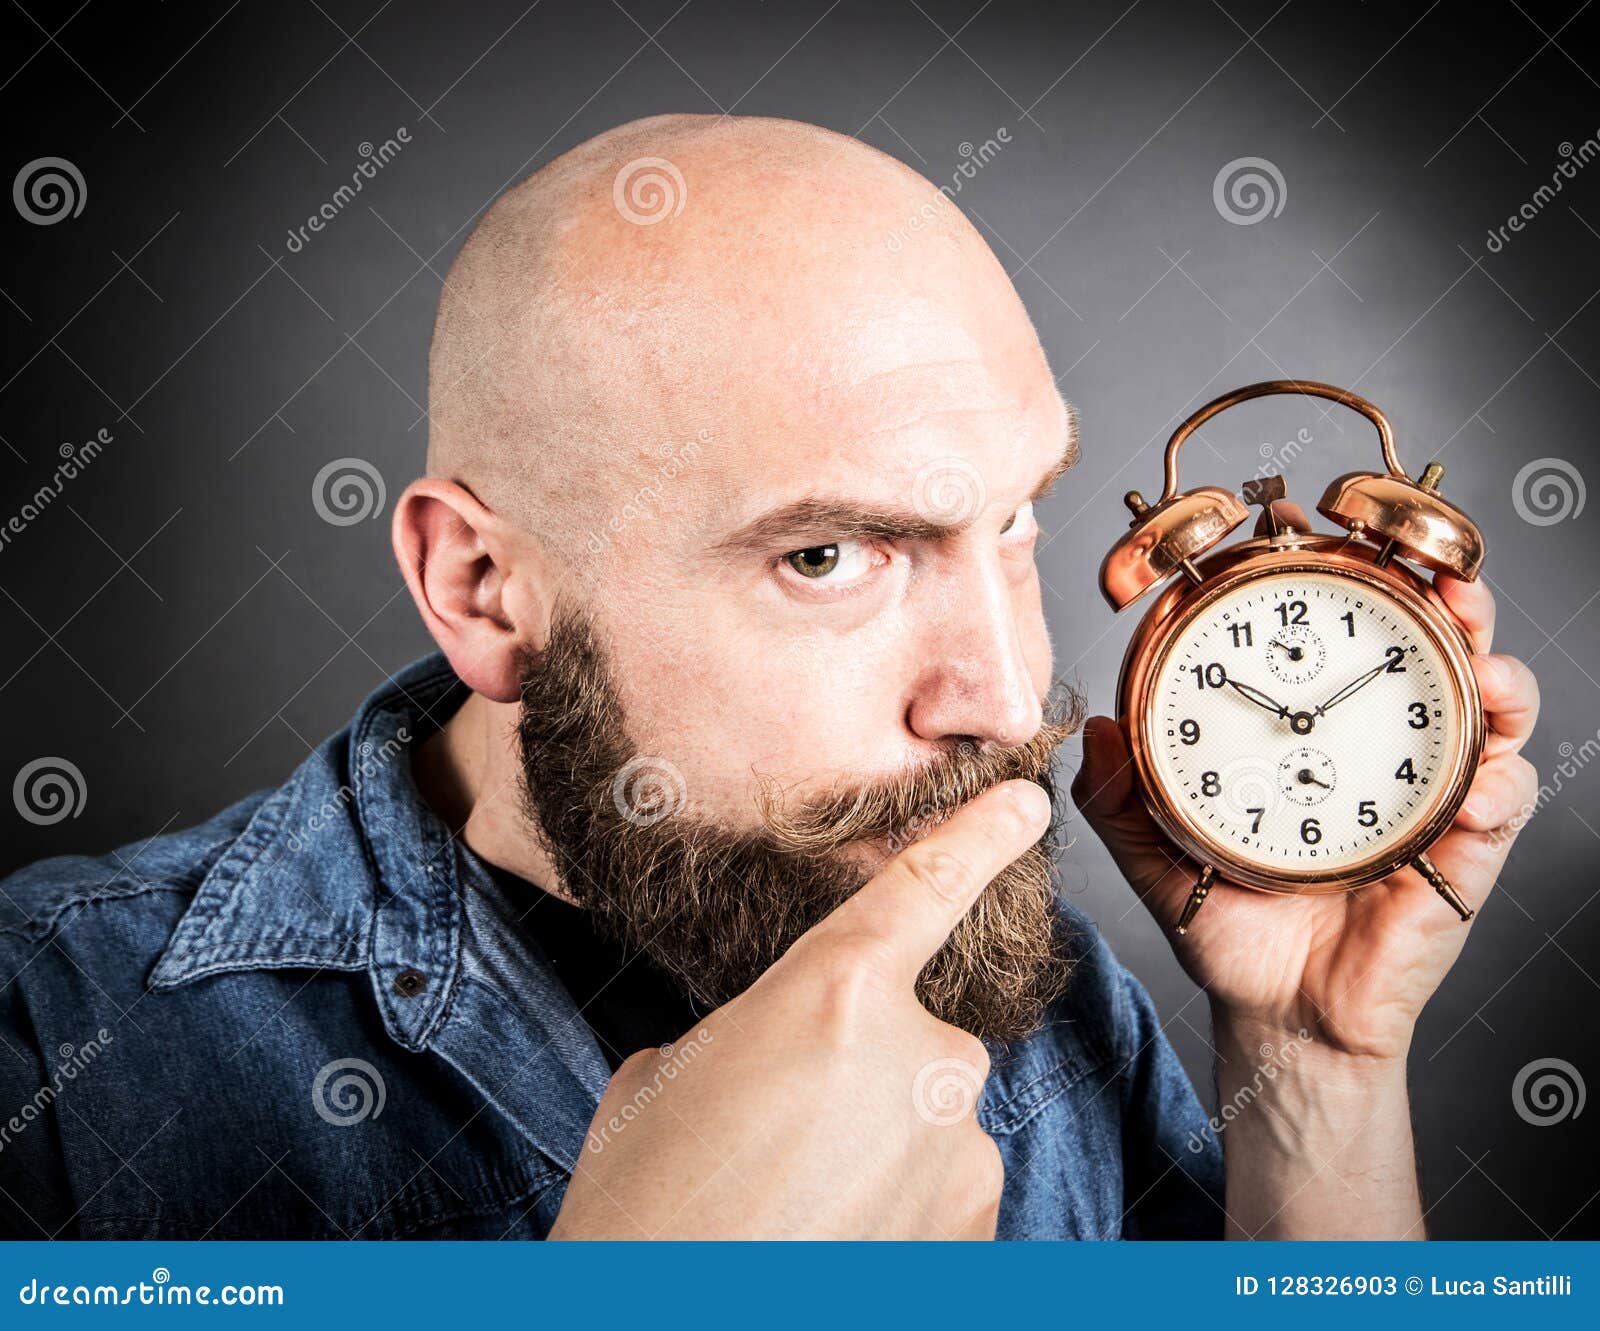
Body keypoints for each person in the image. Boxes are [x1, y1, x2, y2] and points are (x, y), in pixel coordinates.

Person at [0, 115, 1539, 1241]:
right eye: (829, 558)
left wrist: (1311, 1070)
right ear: (482, 588)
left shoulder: (1052, 1003)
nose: (1008, 702)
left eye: (1011, 523)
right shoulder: (51, 1053)